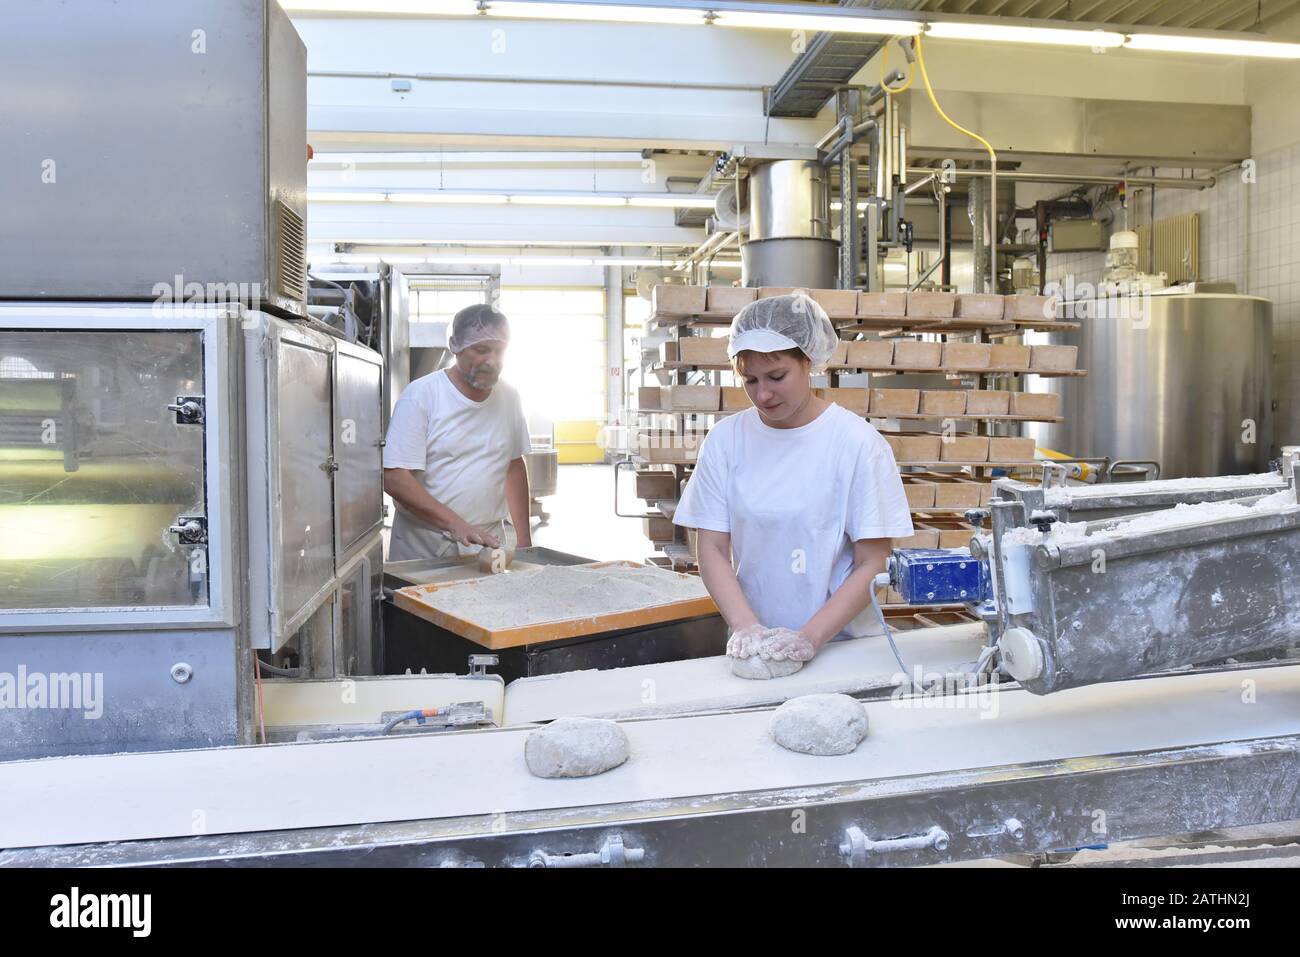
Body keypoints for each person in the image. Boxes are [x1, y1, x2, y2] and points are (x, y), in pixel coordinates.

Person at [672, 292, 914, 667]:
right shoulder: (726, 441)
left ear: (809, 361)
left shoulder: (857, 444)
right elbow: (713, 549)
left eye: (777, 376)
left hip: (843, 647)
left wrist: (809, 637)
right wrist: (746, 627)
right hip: (756, 647)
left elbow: (873, 561)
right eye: (750, 380)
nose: (763, 394)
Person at [382, 303, 533, 562]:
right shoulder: (422, 396)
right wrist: (455, 524)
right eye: (481, 350)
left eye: (499, 351)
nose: (492, 361)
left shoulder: (510, 397)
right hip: (425, 544)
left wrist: (525, 542)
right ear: (454, 345)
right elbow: (396, 478)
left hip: (487, 544)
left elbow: (513, 466)